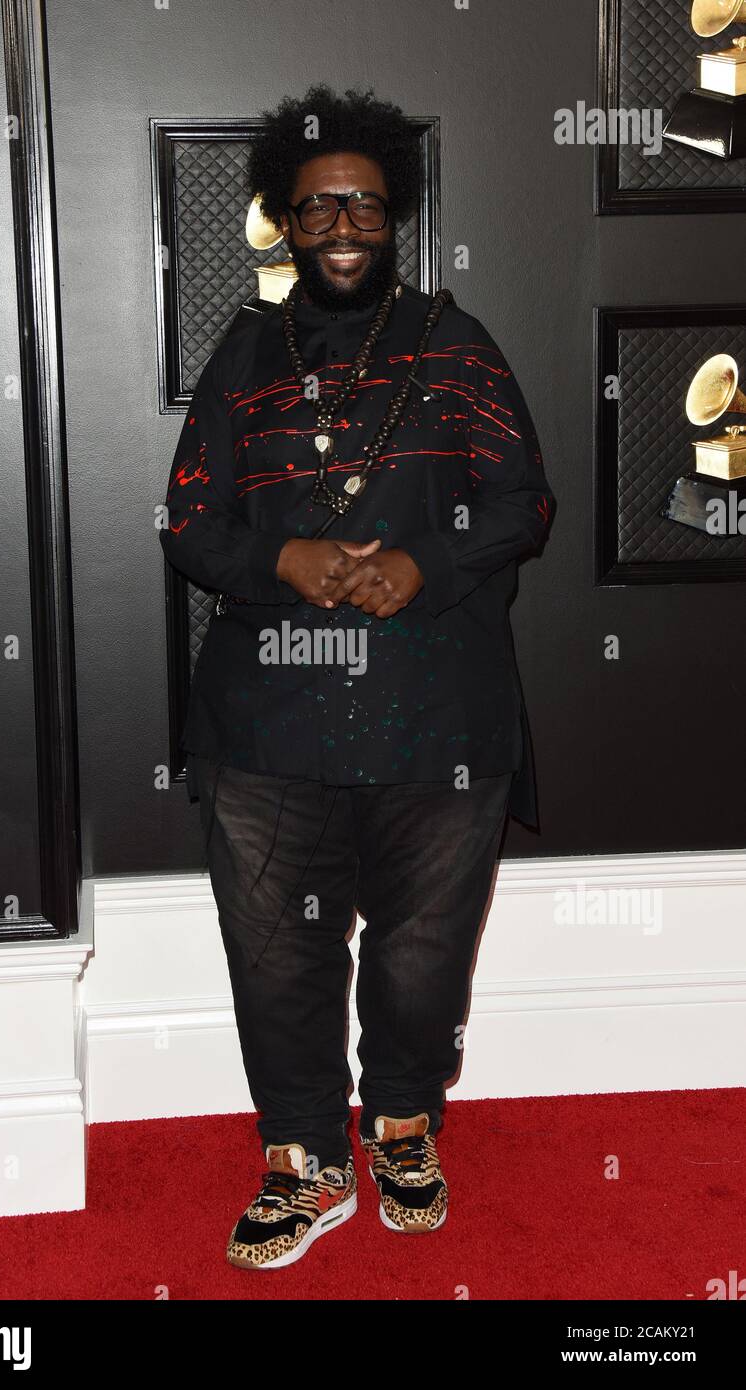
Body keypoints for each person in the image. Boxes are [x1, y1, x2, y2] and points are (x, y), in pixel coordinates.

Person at [160, 83, 555, 1271]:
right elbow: (187, 523)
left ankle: (398, 1123)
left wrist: (422, 567)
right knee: (276, 948)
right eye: (320, 203)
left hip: (437, 707)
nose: (344, 223)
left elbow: (522, 501)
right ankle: (300, 1156)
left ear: (395, 219)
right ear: (283, 217)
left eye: (367, 206)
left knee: (422, 944)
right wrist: (282, 555)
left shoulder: (453, 342)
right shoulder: (239, 355)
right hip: (270, 709)